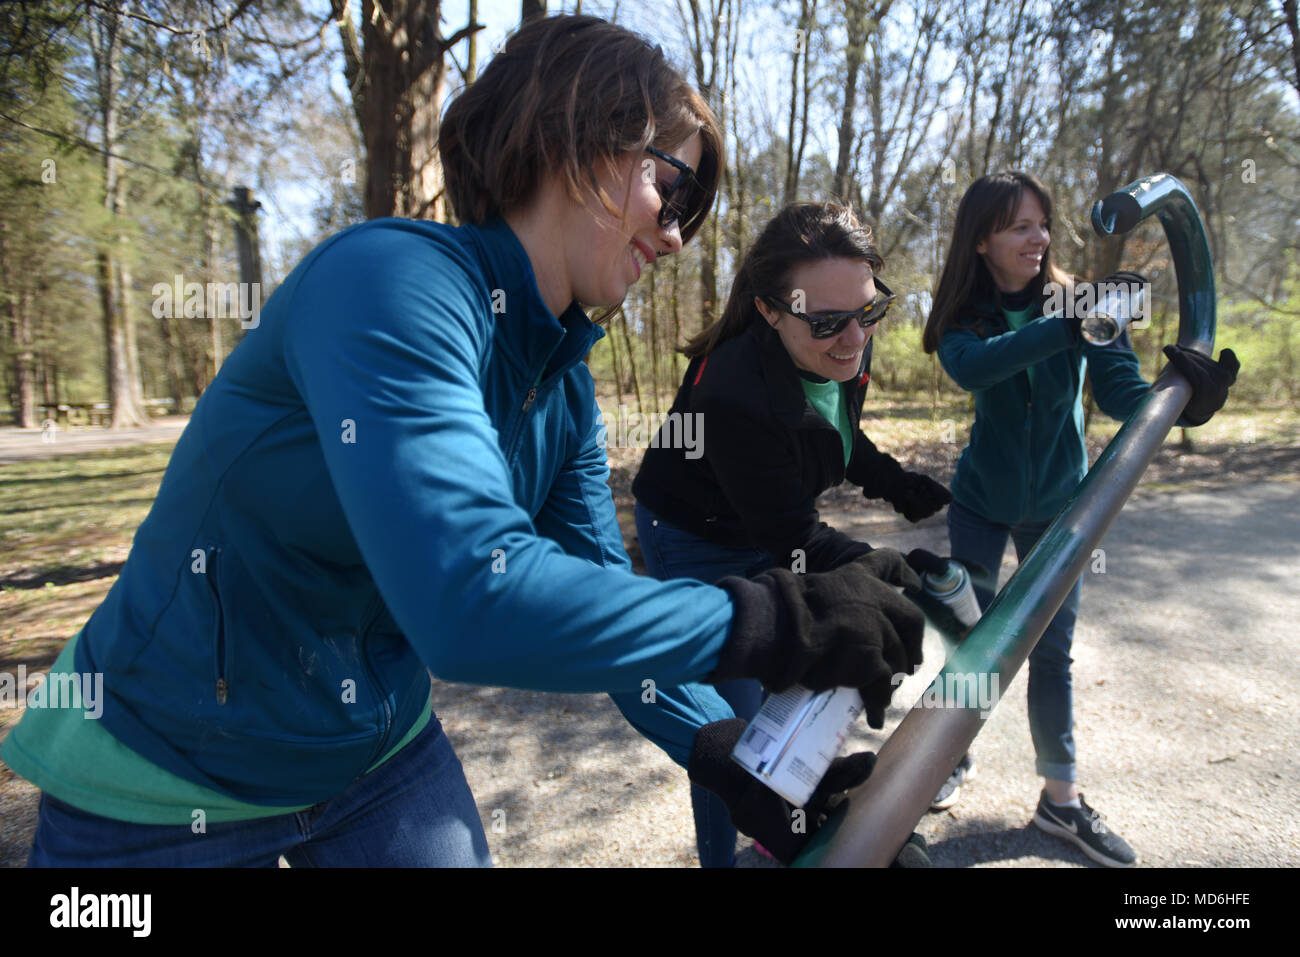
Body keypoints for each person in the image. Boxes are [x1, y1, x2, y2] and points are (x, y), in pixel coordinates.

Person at [2, 14, 926, 868]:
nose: (677, 236)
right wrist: (772, 620)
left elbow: (599, 600)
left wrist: (721, 750)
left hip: (375, 754)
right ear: (576, 143)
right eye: (670, 186)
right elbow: (469, 595)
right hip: (160, 773)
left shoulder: (558, 383)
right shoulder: (387, 280)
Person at [921, 170, 1239, 867]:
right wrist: (1063, 326)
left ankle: (1060, 798)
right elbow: (976, 368)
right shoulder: (964, 318)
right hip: (980, 501)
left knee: (1052, 653)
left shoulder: (1083, 302)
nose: (1038, 238)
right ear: (982, 241)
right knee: (968, 641)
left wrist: (1181, 394)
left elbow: (1122, 392)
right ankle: (949, 757)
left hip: (1063, 506)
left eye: (1043, 223)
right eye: (1019, 226)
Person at [627, 202, 951, 867]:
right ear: (770, 310)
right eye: (829, 321)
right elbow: (794, 537)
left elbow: (837, 429)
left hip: (767, 522)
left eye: (867, 310)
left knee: (797, 693)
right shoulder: (732, 393)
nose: (854, 338)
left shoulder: (839, 342)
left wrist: (894, 482)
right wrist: (891, 572)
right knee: (737, 732)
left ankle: (784, 845)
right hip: (696, 535)